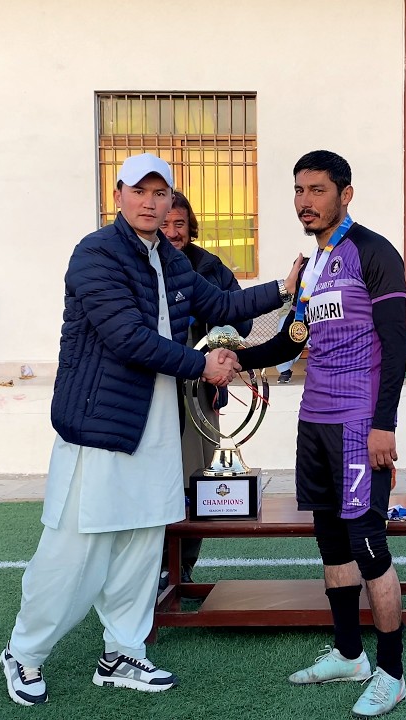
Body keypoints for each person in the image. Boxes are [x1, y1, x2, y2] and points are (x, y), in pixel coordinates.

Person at [0, 153, 301, 706]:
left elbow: (220, 304)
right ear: (118, 194)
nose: (150, 201)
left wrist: (281, 289)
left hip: (158, 424)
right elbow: (126, 338)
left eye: (160, 193)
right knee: (76, 548)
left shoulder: (171, 257)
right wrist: (202, 365)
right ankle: (24, 653)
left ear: (169, 201)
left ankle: (121, 652)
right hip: (103, 425)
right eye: (140, 191)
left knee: (143, 544)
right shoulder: (94, 254)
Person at [234, 150, 406, 717]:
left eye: (316, 190)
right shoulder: (313, 263)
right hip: (315, 418)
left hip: (361, 422)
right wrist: (235, 358)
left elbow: (397, 343)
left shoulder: (374, 252)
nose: (304, 202)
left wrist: (384, 423)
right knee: (331, 540)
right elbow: (292, 340)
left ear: (345, 194)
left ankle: (391, 673)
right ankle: (349, 653)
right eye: (298, 191)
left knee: (368, 545)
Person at [159, 189, 251, 588]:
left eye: (179, 224)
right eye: (165, 223)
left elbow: (241, 319)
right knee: (155, 478)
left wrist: (221, 339)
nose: (172, 232)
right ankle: (151, 568)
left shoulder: (210, 268)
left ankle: (182, 567)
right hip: (152, 386)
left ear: (190, 228)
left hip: (200, 391)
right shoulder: (138, 265)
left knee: (195, 480)